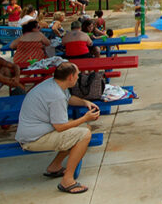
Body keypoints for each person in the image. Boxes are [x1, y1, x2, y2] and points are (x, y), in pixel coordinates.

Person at [15, 62, 100, 194]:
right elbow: (60, 127)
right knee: (84, 134)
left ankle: (54, 167)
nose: (78, 77)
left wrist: (85, 102)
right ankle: (67, 180)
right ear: (70, 77)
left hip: (35, 133)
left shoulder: (54, 83)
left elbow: (69, 98)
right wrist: (85, 118)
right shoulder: (56, 96)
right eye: (77, 75)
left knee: (84, 128)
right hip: (33, 139)